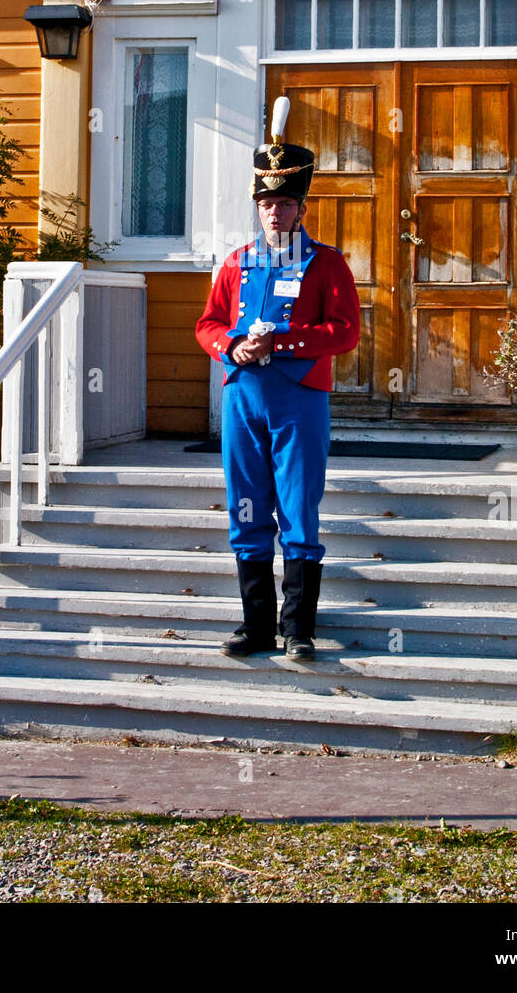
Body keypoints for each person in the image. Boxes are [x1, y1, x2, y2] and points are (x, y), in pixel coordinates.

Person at [195, 98, 361, 660]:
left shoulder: (327, 264)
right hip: (243, 398)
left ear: (301, 207)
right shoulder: (236, 263)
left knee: (297, 508)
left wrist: (282, 344)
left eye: (284, 203)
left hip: (299, 400)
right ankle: (256, 627)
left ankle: (298, 629)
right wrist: (232, 346)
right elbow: (208, 323)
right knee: (246, 506)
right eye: (266, 202)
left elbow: (344, 332)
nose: (273, 213)